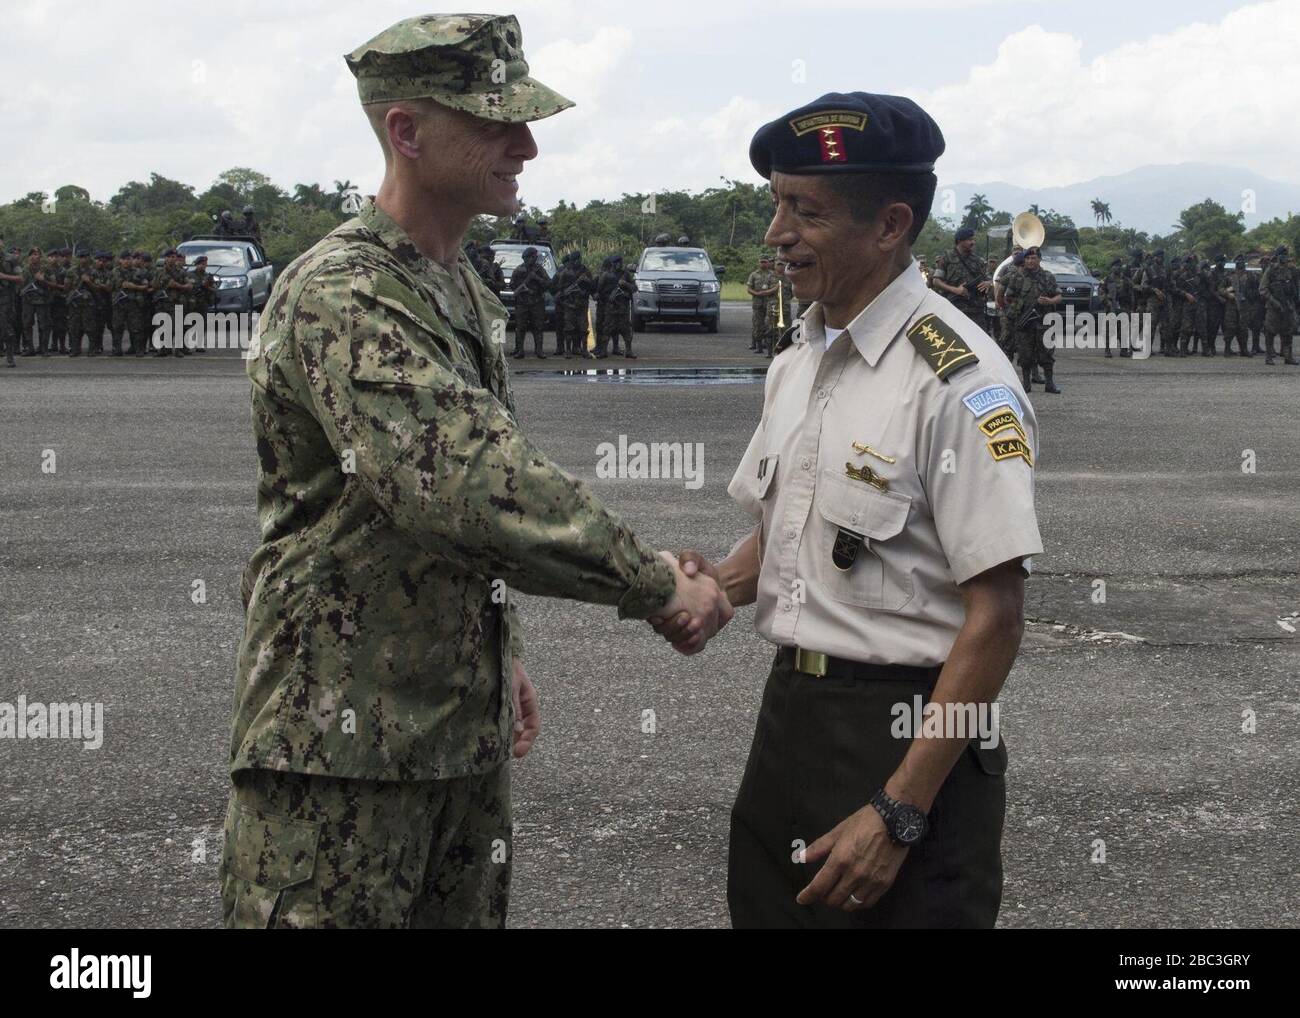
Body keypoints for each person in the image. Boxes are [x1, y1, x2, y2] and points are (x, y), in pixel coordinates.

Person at [219, 13, 730, 930]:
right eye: (495, 122)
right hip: (339, 747)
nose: (526, 144)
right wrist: (658, 585)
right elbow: (468, 487)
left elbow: (451, 519)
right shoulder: (346, 291)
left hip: (456, 736)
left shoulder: (459, 287)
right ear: (407, 130)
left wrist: (501, 651)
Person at [657, 91, 1042, 930]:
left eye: (807, 210)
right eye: (775, 205)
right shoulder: (803, 355)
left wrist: (900, 811)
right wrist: (717, 585)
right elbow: (786, 528)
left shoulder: (961, 382)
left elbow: (998, 616)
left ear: (890, 224)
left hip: (909, 734)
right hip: (790, 719)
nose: (776, 233)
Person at [1004, 246, 1062, 393]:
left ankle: (1049, 383)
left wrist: (1049, 301)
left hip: (1044, 321)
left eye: (1033, 258)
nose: (1030, 261)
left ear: (1040, 259)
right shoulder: (1017, 277)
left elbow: (1059, 296)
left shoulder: (1048, 276)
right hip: (1025, 322)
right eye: (1028, 258)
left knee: (1047, 353)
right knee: (1025, 354)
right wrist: (1019, 306)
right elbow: (1008, 296)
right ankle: (1026, 384)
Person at [931, 226, 990, 329]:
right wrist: (955, 290)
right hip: (953, 308)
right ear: (959, 241)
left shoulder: (977, 260)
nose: (973, 242)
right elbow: (936, 281)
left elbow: (987, 279)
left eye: (973, 239)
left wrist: (988, 283)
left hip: (975, 311)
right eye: (969, 240)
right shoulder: (947, 258)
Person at [1260, 246, 1299, 365]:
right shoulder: (1271, 270)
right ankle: (1269, 356)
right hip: (1273, 305)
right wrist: (1274, 302)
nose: (1284, 258)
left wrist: (1295, 300)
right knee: (1270, 331)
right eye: (1282, 255)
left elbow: (1296, 286)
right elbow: (1263, 289)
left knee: (1288, 331)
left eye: (1286, 255)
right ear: (1277, 257)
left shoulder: (1292, 270)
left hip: (1288, 304)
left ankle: (1288, 357)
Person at [509, 246, 549, 359]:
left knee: (538, 327)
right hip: (522, 303)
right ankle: (519, 350)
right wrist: (522, 289)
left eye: (534, 257)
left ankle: (539, 350)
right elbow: (512, 286)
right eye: (532, 257)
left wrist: (536, 278)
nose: (534, 259)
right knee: (520, 327)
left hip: (537, 303)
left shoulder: (539, 270)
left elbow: (547, 284)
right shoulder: (518, 270)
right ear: (526, 258)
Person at [19, 248, 50, 357]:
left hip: (42, 301)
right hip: (28, 301)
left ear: (40, 257)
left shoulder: (45, 269)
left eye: (36, 254)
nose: (33, 256)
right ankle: (30, 348)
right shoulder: (25, 269)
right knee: (27, 324)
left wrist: (42, 280)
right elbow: (21, 284)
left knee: (44, 325)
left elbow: (53, 285)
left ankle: (44, 348)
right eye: (31, 254)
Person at [603, 261, 637, 358]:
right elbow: (600, 290)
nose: (619, 264)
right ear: (613, 264)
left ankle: (629, 351)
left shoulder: (625, 275)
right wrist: (608, 297)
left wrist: (625, 284)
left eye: (620, 262)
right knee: (607, 330)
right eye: (616, 263)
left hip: (623, 309)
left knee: (626, 331)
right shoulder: (607, 274)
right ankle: (603, 350)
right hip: (611, 308)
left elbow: (635, 288)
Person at [746, 255, 778, 355]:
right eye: (761, 262)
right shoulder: (753, 275)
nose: (763, 263)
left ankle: (770, 348)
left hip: (770, 303)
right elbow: (749, 288)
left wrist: (767, 292)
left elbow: (777, 286)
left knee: (770, 325)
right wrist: (757, 294)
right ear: (758, 263)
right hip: (758, 303)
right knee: (757, 325)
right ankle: (758, 347)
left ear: (768, 263)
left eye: (765, 262)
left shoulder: (773, 274)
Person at [0, 236, 20, 367]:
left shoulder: (11, 259)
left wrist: (3, 276)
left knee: (6, 327)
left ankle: (10, 357)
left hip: (5, 298)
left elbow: (20, 278)